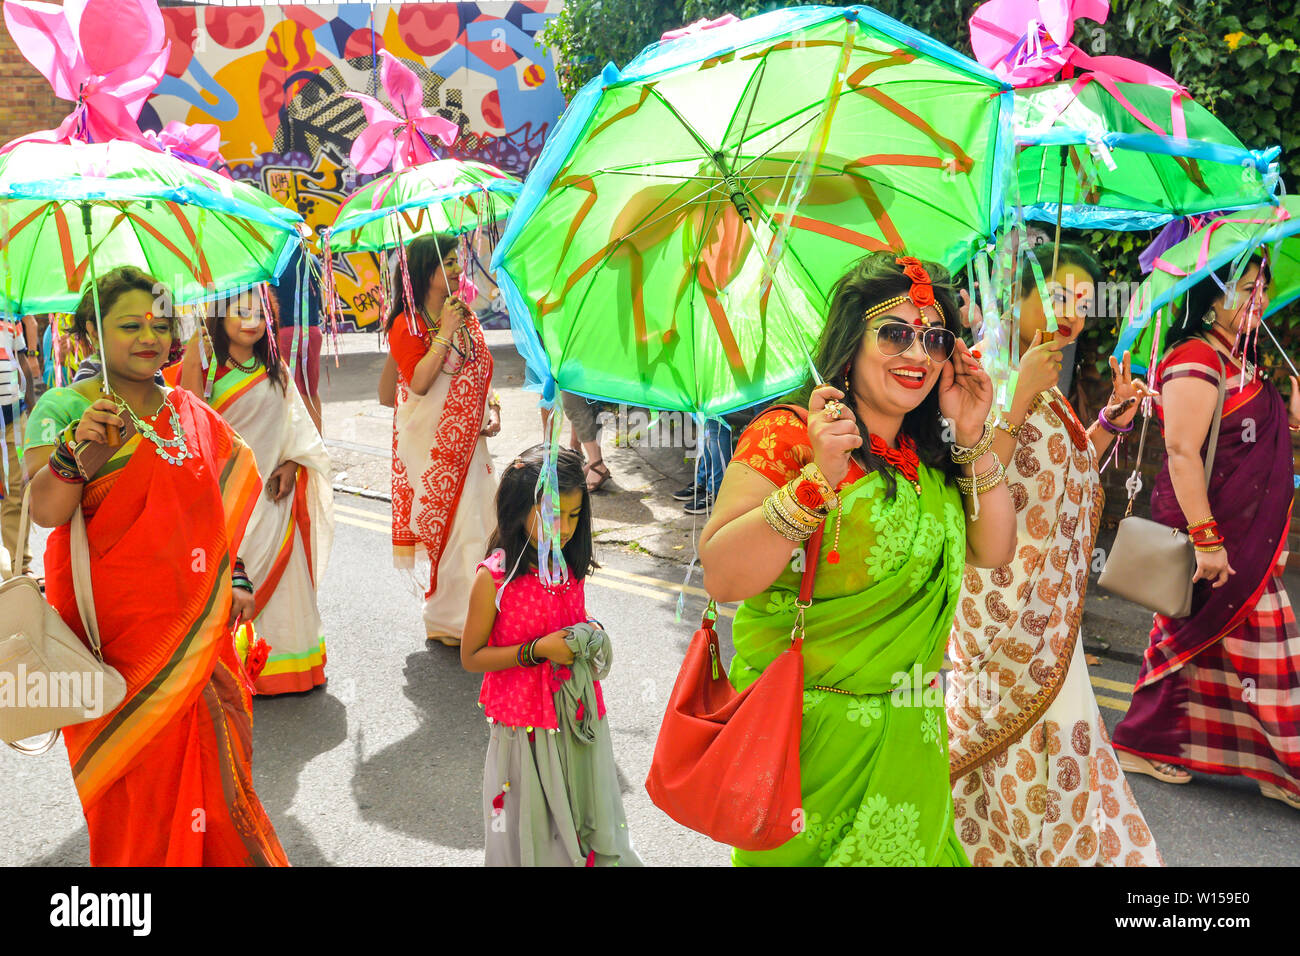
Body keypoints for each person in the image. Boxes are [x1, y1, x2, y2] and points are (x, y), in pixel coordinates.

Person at [698, 252, 1016, 866]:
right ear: (850, 344)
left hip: (914, 740)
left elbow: (994, 549)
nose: (917, 355)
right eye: (895, 333)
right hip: (812, 751)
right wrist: (819, 479)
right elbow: (724, 574)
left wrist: (972, 433)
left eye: (934, 338)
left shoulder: (931, 451)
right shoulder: (788, 434)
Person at [22, 266, 287, 865]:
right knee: (137, 801)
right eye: (129, 325)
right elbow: (45, 510)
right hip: (115, 647)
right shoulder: (64, 407)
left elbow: (216, 510)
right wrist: (77, 447)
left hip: (198, 635)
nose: (150, 336)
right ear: (90, 334)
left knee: (218, 794)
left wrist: (237, 574)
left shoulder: (191, 411)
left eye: (161, 323)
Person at [946, 243, 1163, 865]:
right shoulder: (978, 378)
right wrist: (1015, 402)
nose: (1073, 315)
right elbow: (973, 489)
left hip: (1050, 620)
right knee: (1025, 765)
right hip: (1002, 616)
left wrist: (1111, 423)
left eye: (1085, 305)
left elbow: (1060, 480)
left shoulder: (1045, 382)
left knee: (1059, 759)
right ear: (1017, 294)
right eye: (1060, 296)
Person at [1112, 256, 1300, 811]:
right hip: (1213, 536)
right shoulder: (1196, 358)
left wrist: (1292, 414)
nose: (1259, 298)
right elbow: (1181, 451)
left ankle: (1148, 740)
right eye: (1246, 287)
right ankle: (1287, 764)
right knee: (1265, 649)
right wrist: (1208, 540)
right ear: (1210, 294)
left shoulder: (1242, 361)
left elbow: (1256, 442)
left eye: (1263, 287)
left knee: (1196, 647)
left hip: (1245, 536)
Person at [461, 445, 641, 866]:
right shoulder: (495, 579)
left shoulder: (567, 565)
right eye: (552, 514)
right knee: (532, 821)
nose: (563, 528)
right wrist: (536, 651)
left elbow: (568, 614)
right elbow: (472, 656)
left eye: (575, 517)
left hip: (577, 716)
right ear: (518, 507)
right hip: (525, 725)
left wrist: (590, 630)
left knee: (583, 811)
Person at [170, 288, 334, 695]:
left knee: (286, 589)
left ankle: (292, 668)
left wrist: (294, 464)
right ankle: (231, 670)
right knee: (233, 585)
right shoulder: (208, 366)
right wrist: (195, 355)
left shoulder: (272, 365)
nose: (252, 322)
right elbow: (186, 425)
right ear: (218, 318)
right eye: (240, 313)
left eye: (260, 314)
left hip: (275, 501)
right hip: (229, 502)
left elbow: (298, 428)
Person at [388, 233, 501, 646]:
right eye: (448, 263)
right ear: (425, 271)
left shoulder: (463, 314)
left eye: (457, 261)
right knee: (457, 527)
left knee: (482, 522)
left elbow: (478, 371)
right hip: (432, 448)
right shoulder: (406, 324)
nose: (457, 269)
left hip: (472, 441)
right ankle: (448, 618)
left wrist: (492, 409)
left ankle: (479, 615)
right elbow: (418, 384)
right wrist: (445, 332)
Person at [274, 245, 324, 434]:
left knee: (293, 390)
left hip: (287, 333)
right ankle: (319, 438)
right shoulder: (313, 261)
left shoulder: (277, 263)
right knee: (311, 390)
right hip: (312, 330)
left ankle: (303, 439)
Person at [1, 312, 32, 578]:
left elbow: (22, 362)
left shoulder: (10, 316)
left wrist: (32, 411)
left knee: (17, 492)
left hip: (14, 419)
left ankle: (19, 565)